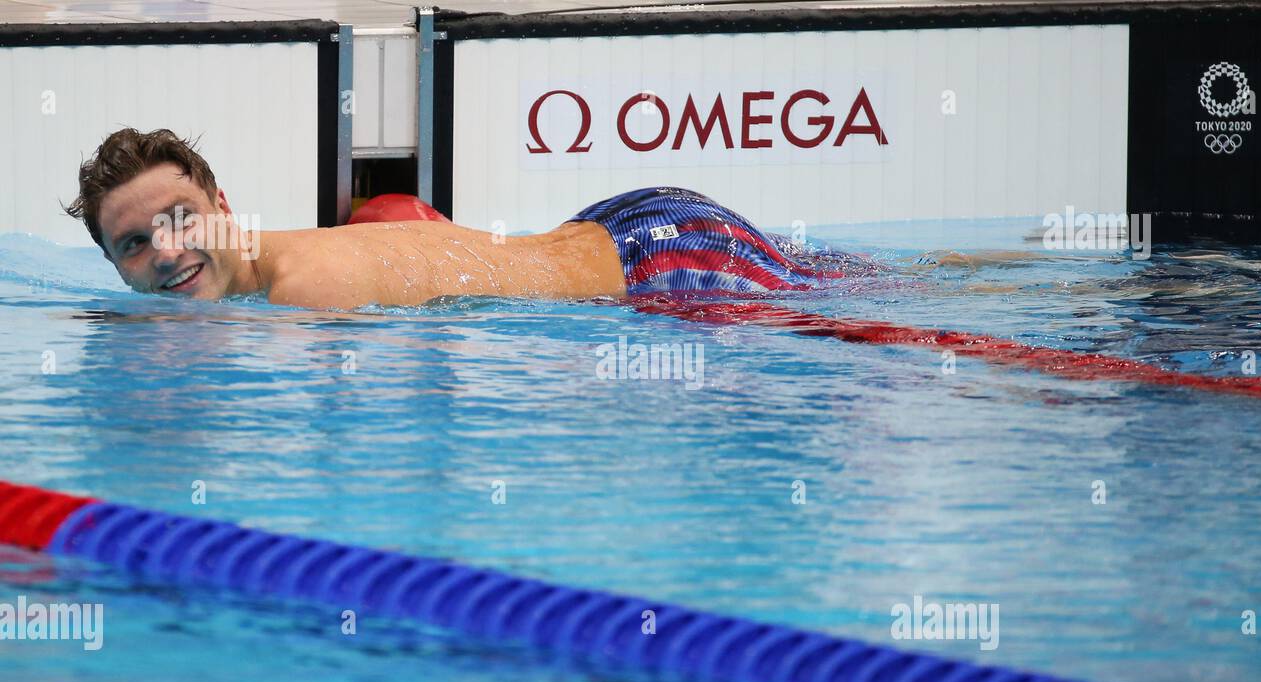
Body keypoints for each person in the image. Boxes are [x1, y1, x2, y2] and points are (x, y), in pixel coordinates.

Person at [64, 128, 1014, 310]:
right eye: (136, 243)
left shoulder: (309, 288)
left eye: (181, 217)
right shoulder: (273, 278)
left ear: (223, 205)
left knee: (895, 312)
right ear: (115, 265)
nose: (169, 251)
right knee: (894, 277)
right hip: (629, 230)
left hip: (669, 267)